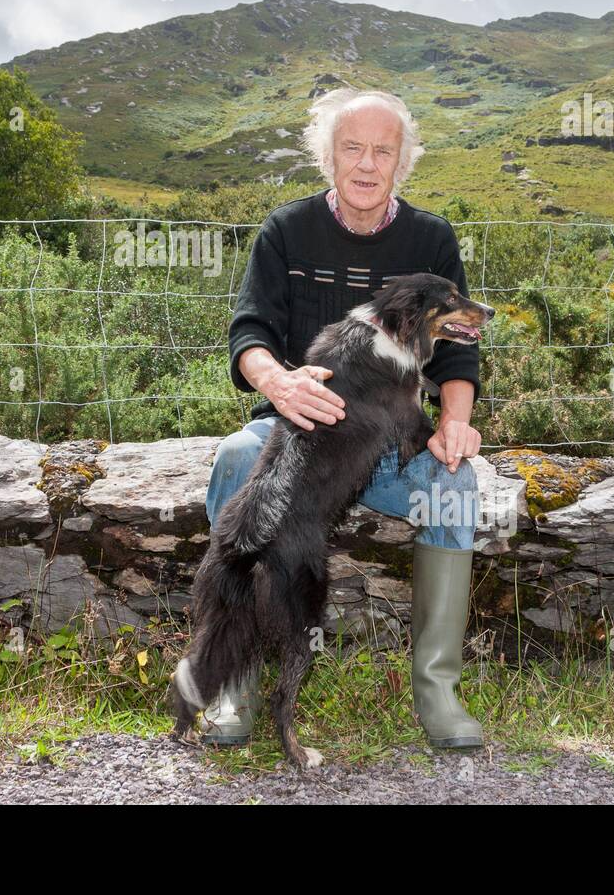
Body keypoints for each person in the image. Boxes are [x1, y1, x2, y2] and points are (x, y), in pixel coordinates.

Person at [200, 86, 486, 751]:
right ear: (327, 156)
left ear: (402, 162)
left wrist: (454, 422)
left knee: (456, 485)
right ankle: (226, 689)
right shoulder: (284, 231)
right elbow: (248, 334)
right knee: (234, 458)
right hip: (295, 436)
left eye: (382, 150)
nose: (366, 163)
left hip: (392, 447)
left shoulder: (432, 238)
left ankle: (438, 690)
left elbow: (460, 355)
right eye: (352, 147)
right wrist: (278, 379)